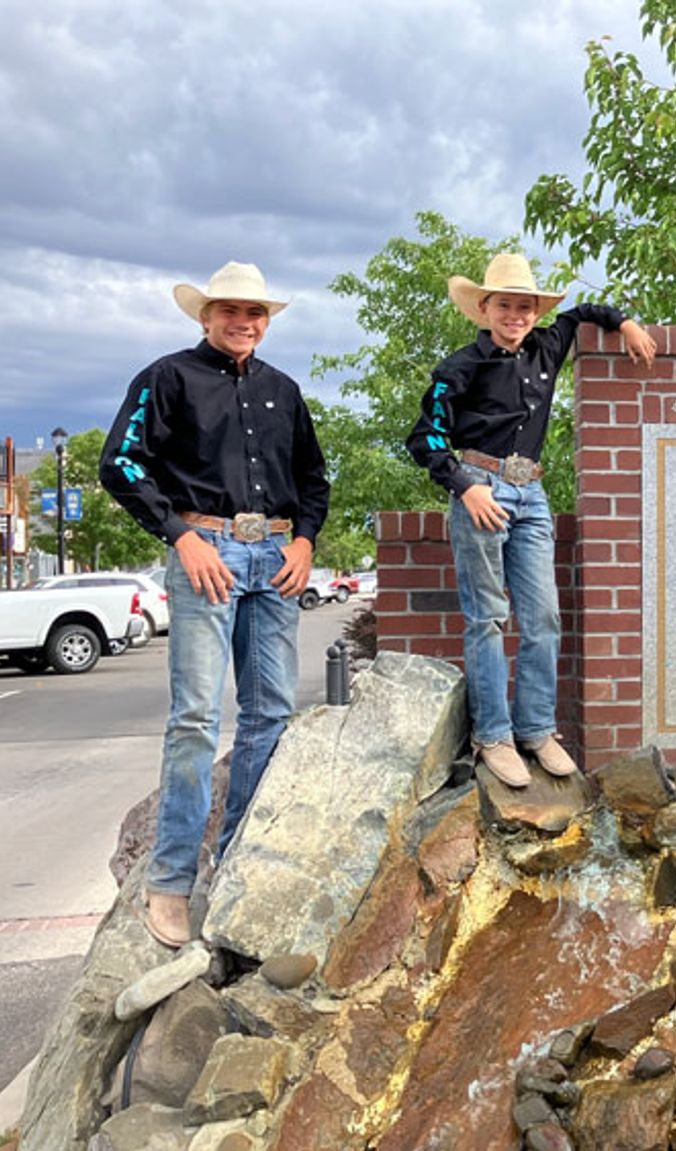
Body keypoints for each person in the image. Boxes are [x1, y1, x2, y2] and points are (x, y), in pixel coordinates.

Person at [100, 261, 330, 948]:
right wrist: (181, 535)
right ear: (205, 317)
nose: (244, 321)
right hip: (206, 552)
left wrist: (305, 541)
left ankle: (235, 860)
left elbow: (314, 477)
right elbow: (121, 462)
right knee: (197, 717)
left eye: (255, 313)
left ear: (266, 322)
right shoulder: (167, 378)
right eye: (230, 310)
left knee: (271, 715)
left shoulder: (284, 391)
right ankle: (171, 881)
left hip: (275, 559)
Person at [406, 252, 655, 788]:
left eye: (525, 306)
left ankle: (537, 730)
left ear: (536, 311)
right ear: (485, 308)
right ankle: (493, 736)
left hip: (532, 493)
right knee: (487, 618)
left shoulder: (549, 344)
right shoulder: (459, 368)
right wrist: (465, 485)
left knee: (543, 617)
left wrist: (625, 323)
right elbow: (425, 438)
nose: (515, 315)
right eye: (505, 305)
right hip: (482, 488)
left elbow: (585, 311)